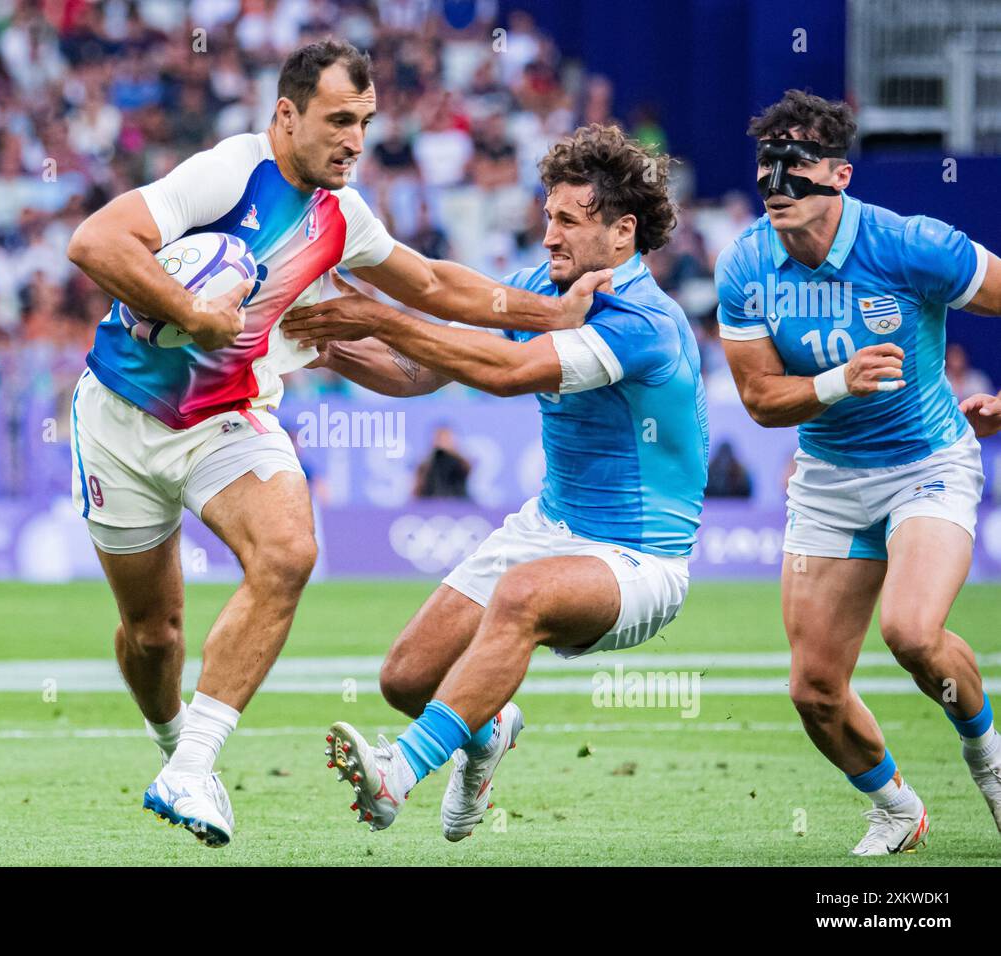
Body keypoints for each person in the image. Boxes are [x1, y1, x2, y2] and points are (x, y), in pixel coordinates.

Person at [64, 39, 576, 848]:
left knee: (290, 552)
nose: (355, 141)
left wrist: (550, 314)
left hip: (226, 422)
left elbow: (438, 285)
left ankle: (193, 766)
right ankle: (179, 753)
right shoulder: (229, 172)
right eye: (339, 120)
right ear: (286, 115)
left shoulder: (344, 218)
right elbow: (95, 242)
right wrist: (194, 313)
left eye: (366, 123)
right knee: (152, 635)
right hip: (118, 423)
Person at [284, 124, 708, 840]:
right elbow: (422, 371)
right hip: (548, 528)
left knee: (521, 597)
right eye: (547, 217)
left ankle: (398, 775)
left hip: (640, 559)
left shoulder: (646, 324)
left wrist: (382, 316)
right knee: (406, 681)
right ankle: (490, 728)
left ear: (622, 230)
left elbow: (507, 373)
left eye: (568, 221)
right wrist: (325, 345)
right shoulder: (544, 286)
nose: (548, 237)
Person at [715, 90, 1001, 855]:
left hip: (926, 464)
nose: (777, 180)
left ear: (839, 176)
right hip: (829, 480)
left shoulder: (913, 245)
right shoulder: (746, 261)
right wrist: (839, 380)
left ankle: (990, 761)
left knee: (911, 632)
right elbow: (760, 400)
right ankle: (897, 807)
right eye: (767, 164)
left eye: (796, 163)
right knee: (813, 691)